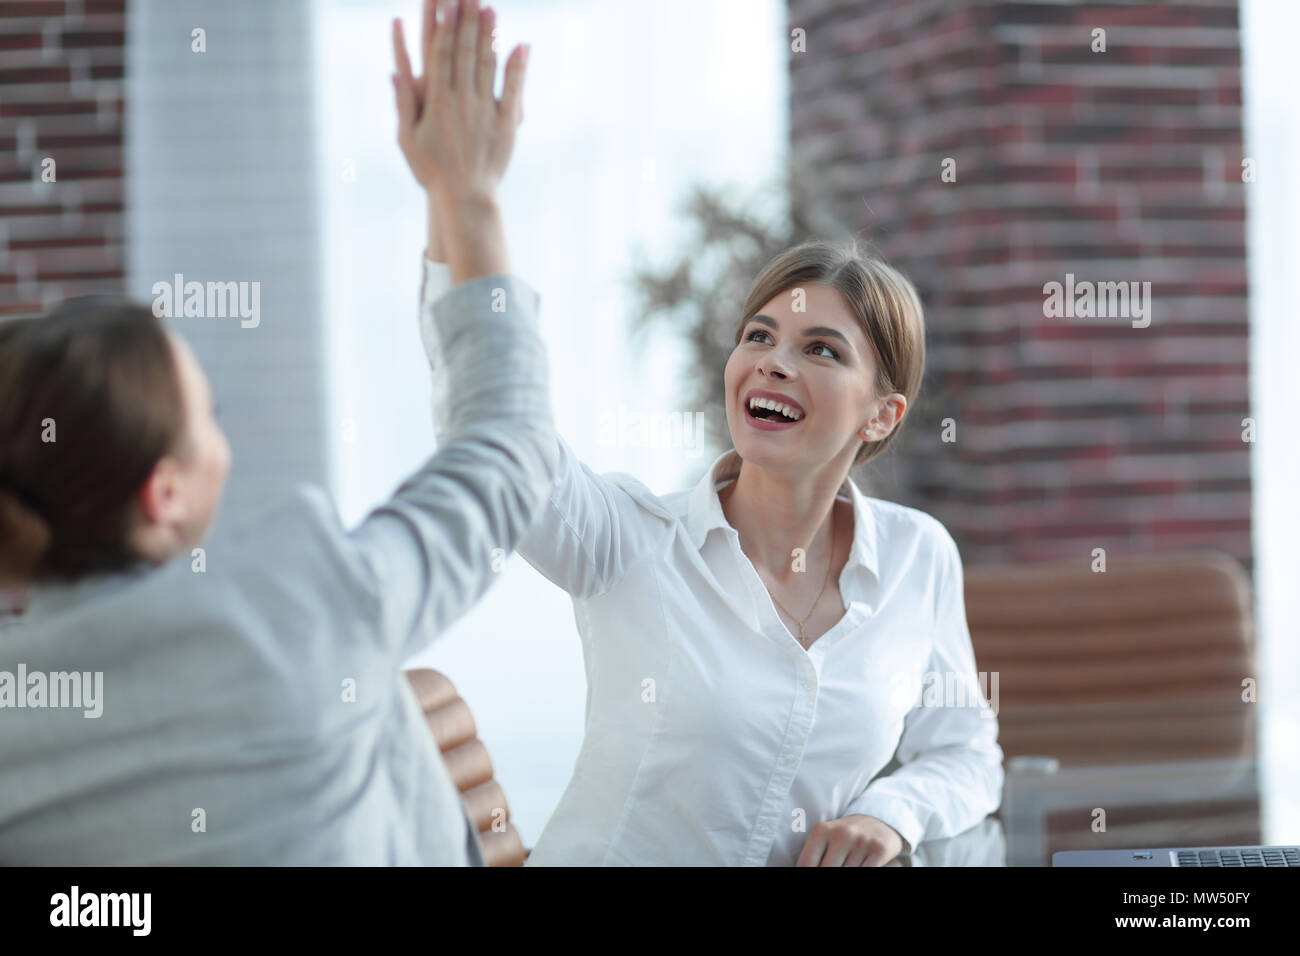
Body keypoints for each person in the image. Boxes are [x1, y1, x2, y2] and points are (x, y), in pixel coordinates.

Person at [0, 0, 541, 865]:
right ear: (163, 493)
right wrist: (466, 193)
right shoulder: (298, 608)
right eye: (208, 416)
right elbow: (507, 459)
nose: (226, 439)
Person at [420, 231, 1006, 866]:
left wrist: (889, 813)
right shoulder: (629, 540)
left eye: (821, 349)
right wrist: (463, 206)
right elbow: (495, 435)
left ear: (882, 415)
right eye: (759, 336)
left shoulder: (917, 555)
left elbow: (965, 750)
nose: (773, 362)